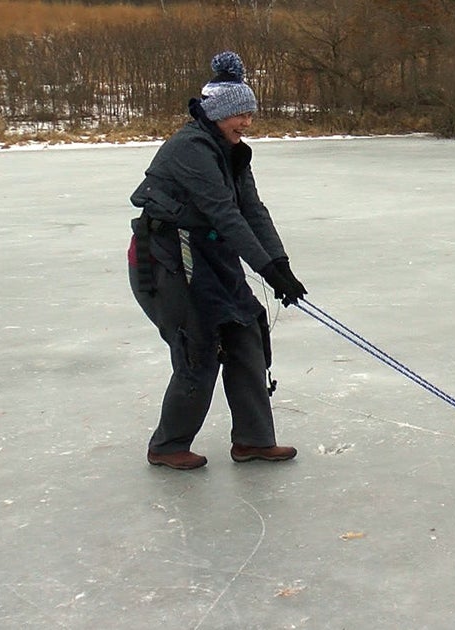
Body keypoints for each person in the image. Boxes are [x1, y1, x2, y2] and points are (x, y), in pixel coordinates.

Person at [126, 51, 308, 470]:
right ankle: (168, 445)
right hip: (168, 257)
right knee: (199, 346)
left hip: (210, 255)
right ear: (216, 113)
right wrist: (265, 269)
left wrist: (280, 266)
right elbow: (223, 213)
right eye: (239, 114)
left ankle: (253, 440)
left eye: (249, 114)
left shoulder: (232, 150)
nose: (246, 123)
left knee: (246, 333)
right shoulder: (190, 148)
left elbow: (252, 211)